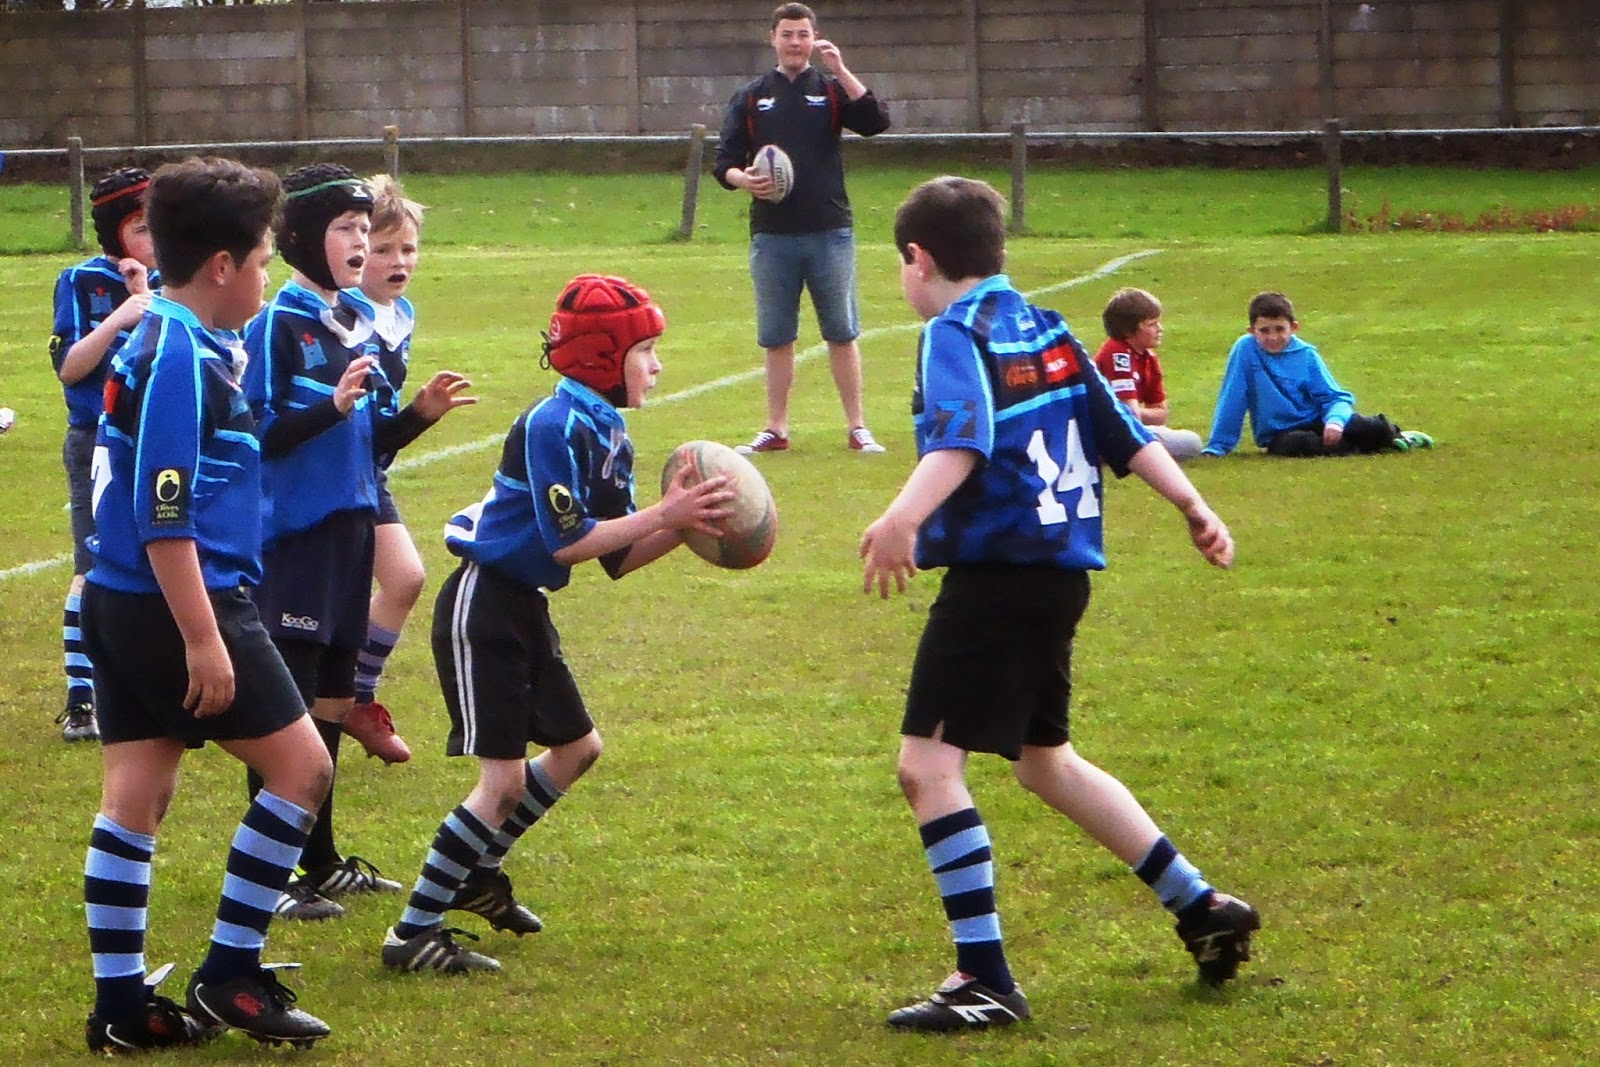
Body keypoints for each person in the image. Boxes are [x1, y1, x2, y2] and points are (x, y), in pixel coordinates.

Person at [859, 176, 1260, 1032]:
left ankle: (985, 977)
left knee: (926, 767)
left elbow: (964, 438)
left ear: (918, 259)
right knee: (1046, 761)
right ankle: (1202, 906)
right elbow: (1126, 434)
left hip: (999, 576)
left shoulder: (952, 332)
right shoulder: (1048, 326)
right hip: (1057, 577)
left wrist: (901, 517)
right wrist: (1193, 505)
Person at [379, 273, 734, 974]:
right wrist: (668, 513)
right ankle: (412, 933)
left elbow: (620, 553)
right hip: (483, 604)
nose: (658, 366)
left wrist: (693, 527)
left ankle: (476, 873)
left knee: (578, 749)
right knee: (501, 782)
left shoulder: (607, 428)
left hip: (523, 606)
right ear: (604, 357)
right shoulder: (552, 424)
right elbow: (569, 540)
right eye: (647, 351)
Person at [80, 156, 333, 1052]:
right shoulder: (178, 350)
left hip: (117, 599)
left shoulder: (181, 338)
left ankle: (122, 1006)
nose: (266, 276)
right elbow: (163, 508)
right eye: (262, 259)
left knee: (136, 798)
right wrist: (203, 636)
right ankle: (231, 972)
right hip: (178, 600)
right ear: (222, 264)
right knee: (303, 770)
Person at [241, 163, 472, 920]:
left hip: (350, 526)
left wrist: (417, 417)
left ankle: (322, 859)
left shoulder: (356, 320)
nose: (360, 241)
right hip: (298, 536)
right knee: (292, 713)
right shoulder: (277, 322)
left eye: (363, 229)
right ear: (304, 236)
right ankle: (273, 879)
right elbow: (258, 434)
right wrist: (331, 409)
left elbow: (367, 442)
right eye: (346, 228)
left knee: (333, 704)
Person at [714, 1, 891, 456]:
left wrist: (843, 69)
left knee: (841, 330)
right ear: (772, 38)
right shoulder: (752, 96)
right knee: (777, 335)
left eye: (803, 34)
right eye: (787, 34)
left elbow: (875, 122)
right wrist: (744, 179)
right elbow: (725, 162)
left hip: (830, 229)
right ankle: (776, 428)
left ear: (814, 39)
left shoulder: (831, 91)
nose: (795, 42)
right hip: (772, 234)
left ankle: (857, 426)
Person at [342, 174, 474, 764]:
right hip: (328, 475)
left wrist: (416, 415)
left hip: (368, 470)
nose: (399, 261)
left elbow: (379, 427)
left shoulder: (401, 312)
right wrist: (417, 415)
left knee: (405, 579)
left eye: (409, 249)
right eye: (384, 249)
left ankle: (354, 698)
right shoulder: (340, 315)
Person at [49, 167, 159, 743]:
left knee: (165, 560)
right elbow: (70, 367)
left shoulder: (173, 281)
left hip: (157, 439)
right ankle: (81, 693)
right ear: (116, 235)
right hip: (97, 441)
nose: (152, 240)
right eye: (140, 228)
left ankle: (150, 683)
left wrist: (150, 298)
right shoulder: (81, 282)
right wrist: (124, 312)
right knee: (92, 566)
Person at [1202, 291, 1435, 458]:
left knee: (1367, 426)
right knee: (1299, 444)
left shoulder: (1307, 355)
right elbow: (1233, 396)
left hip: (1318, 419)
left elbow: (1335, 397)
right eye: (1264, 331)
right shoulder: (1245, 350)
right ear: (1252, 331)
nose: (1273, 337)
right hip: (1280, 432)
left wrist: (1334, 421)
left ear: (1294, 327)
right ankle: (1366, 446)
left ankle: (1395, 435)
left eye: (1280, 329)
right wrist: (1218, 446)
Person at [1093, 287, 1203, 461]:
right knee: (1191, 443)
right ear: (1129, 331)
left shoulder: (1148, 357)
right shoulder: (1117, 353)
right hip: (1107, 431)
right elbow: (1130, 415)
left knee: (1189, 441)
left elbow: (1160, 414)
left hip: (1126, 426)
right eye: (1152, 324)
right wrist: (1133, 412)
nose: (1160, 329)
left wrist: (1134, 411)